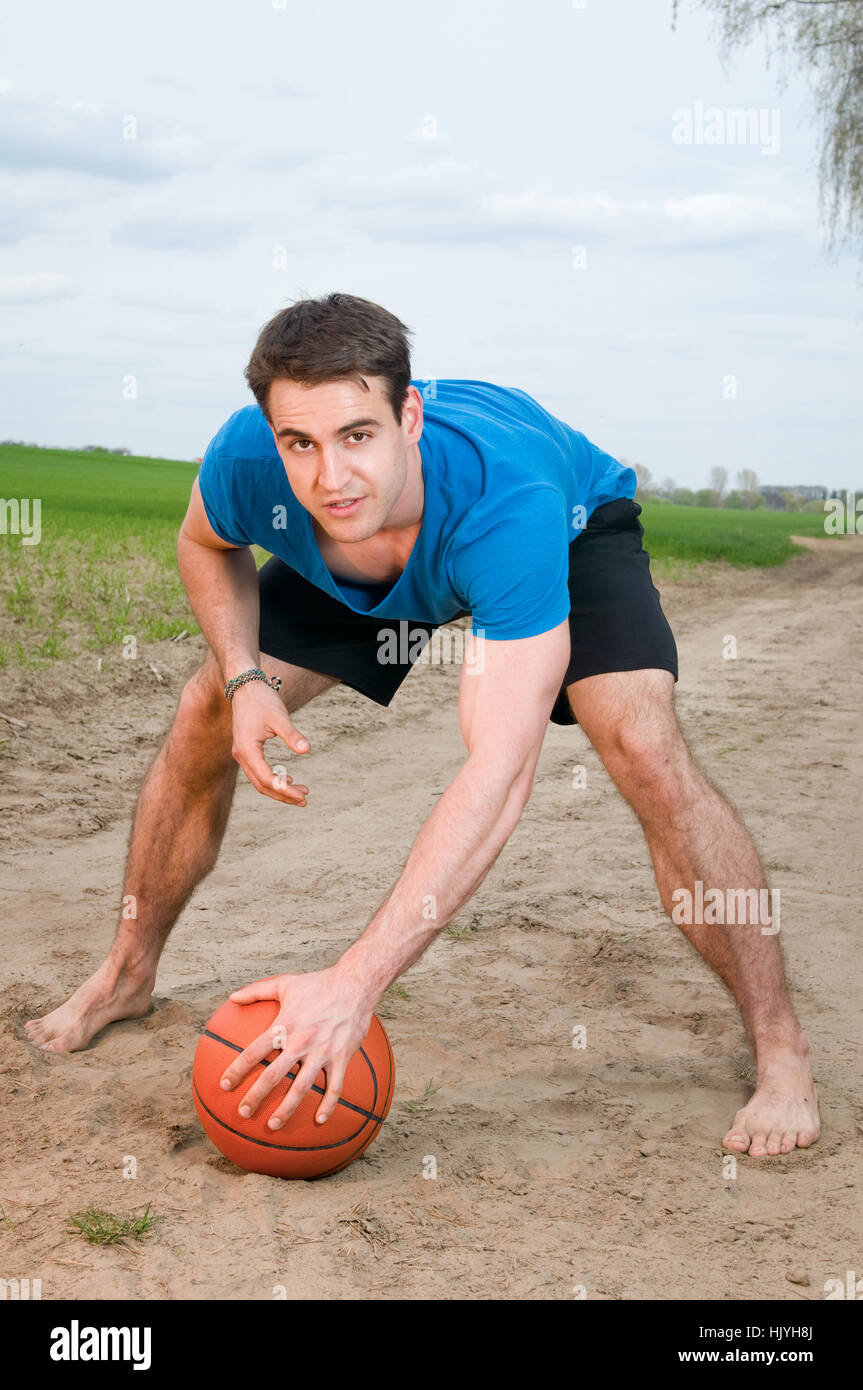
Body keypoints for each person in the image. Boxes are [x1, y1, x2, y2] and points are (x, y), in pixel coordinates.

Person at [27, 292, 819, 1158]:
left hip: (559, 530)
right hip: (362, 559)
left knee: (642, 747)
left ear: (408, 415)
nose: (331, 476)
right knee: (204, 710)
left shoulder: (505, 501)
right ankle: (126, 974)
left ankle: (780, 1051)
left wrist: (352, 984)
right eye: (301, 443)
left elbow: (499, 770)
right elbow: (204, 544)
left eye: (357, 434)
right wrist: (245, 676)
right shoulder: (249, 460)